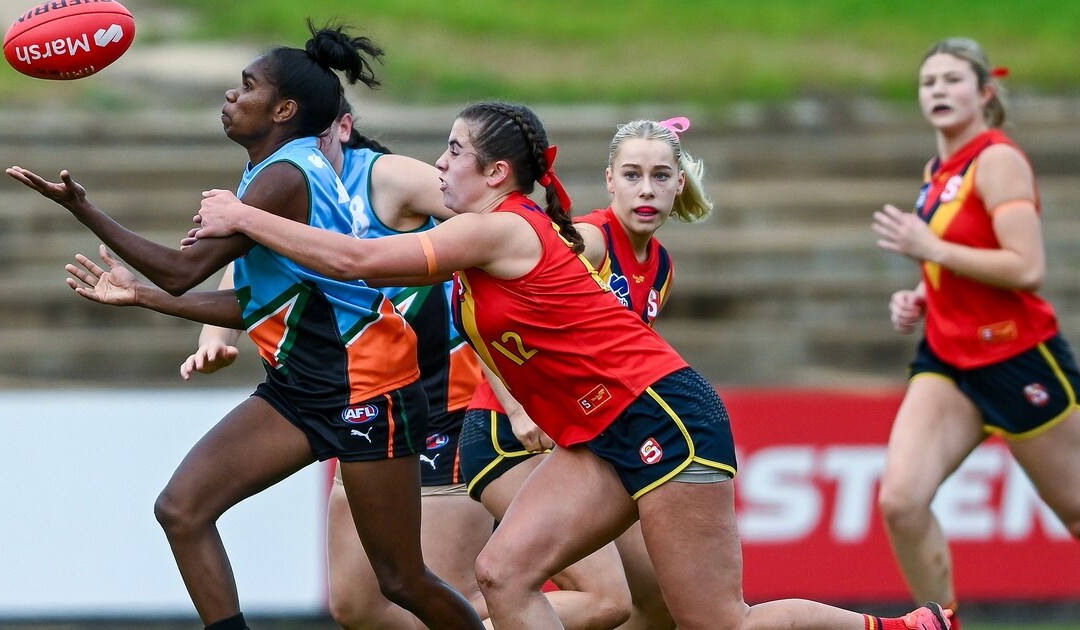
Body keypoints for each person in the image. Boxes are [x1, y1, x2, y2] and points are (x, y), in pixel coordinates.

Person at [189, 100, 952, 630]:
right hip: (600, 433)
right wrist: (176, 293)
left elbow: (356, 260)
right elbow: (335, 266)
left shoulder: (497, 229)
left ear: (496, 174)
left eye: (454, 151)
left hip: (666, 420)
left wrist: (243, 214)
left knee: (716, 620)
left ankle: (900, 627)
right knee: (504, 574)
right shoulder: (497, 233)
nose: (439, 163)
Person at [8, 21, 484, 630]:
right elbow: (258, 304)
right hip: (302, 387)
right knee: (182, 509)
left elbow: (182, 271)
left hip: (369, 388)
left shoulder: (285, 178)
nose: (232, 95)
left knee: (401, 580)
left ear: (284, 110)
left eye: (248, 85)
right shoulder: (276, 171)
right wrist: (141, 297)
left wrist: (84, 210)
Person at [181, 101, 494, 629]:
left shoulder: (386, 178)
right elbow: (247, 268)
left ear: (342, 127)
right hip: (351, 398)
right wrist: (213, 339)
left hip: (444, 403)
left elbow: (495, 224)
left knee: (428, 592)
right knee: (358, 607)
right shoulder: (282, 181)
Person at [457, 117, 709, 630]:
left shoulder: (661, 267)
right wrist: (519, 409)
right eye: (632, 175)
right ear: (610, 180)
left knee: (659, 602)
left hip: (585, 439)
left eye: (660, 176)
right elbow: (484, 301)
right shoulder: (588, 241)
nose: (646, 190)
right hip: (511, 433)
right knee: (604, 599)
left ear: (679, 183)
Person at [872, 37, 1080, 629]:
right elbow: (956, 257)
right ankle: (941, 624)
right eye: (928, 82)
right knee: (901, 502)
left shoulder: (998, 160)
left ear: (985, 93)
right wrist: (922, 292)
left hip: (1017, 356)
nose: (937, 90)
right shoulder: (937, 170)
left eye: (952, 80)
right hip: (948, 358)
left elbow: (1026, 267)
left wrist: (931, 249)